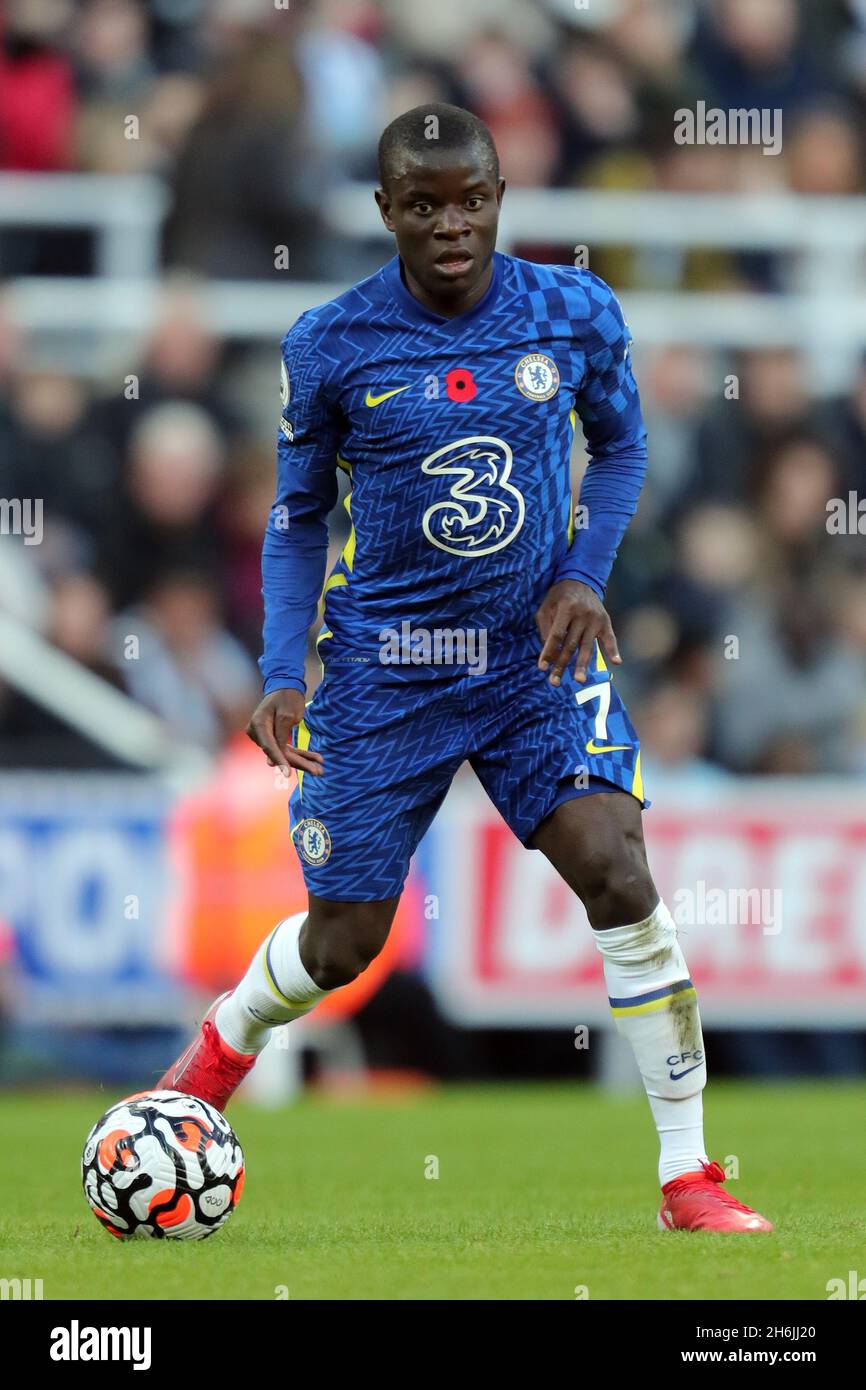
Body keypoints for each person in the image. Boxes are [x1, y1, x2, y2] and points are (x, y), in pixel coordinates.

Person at [157, 104, 771, 1235]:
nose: (451, 224)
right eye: (424, 204)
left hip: (530, 657)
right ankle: (220, 1044)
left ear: (500, 197)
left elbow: (622, 441)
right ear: (385, 210)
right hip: (382, 671)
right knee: (344, 941)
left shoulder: (570, 311)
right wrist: (279, 667)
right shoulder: (332, 342)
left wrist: (584, 571)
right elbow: (295, 517)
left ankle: (687, 1176)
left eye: (472, 199)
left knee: (615, 867)